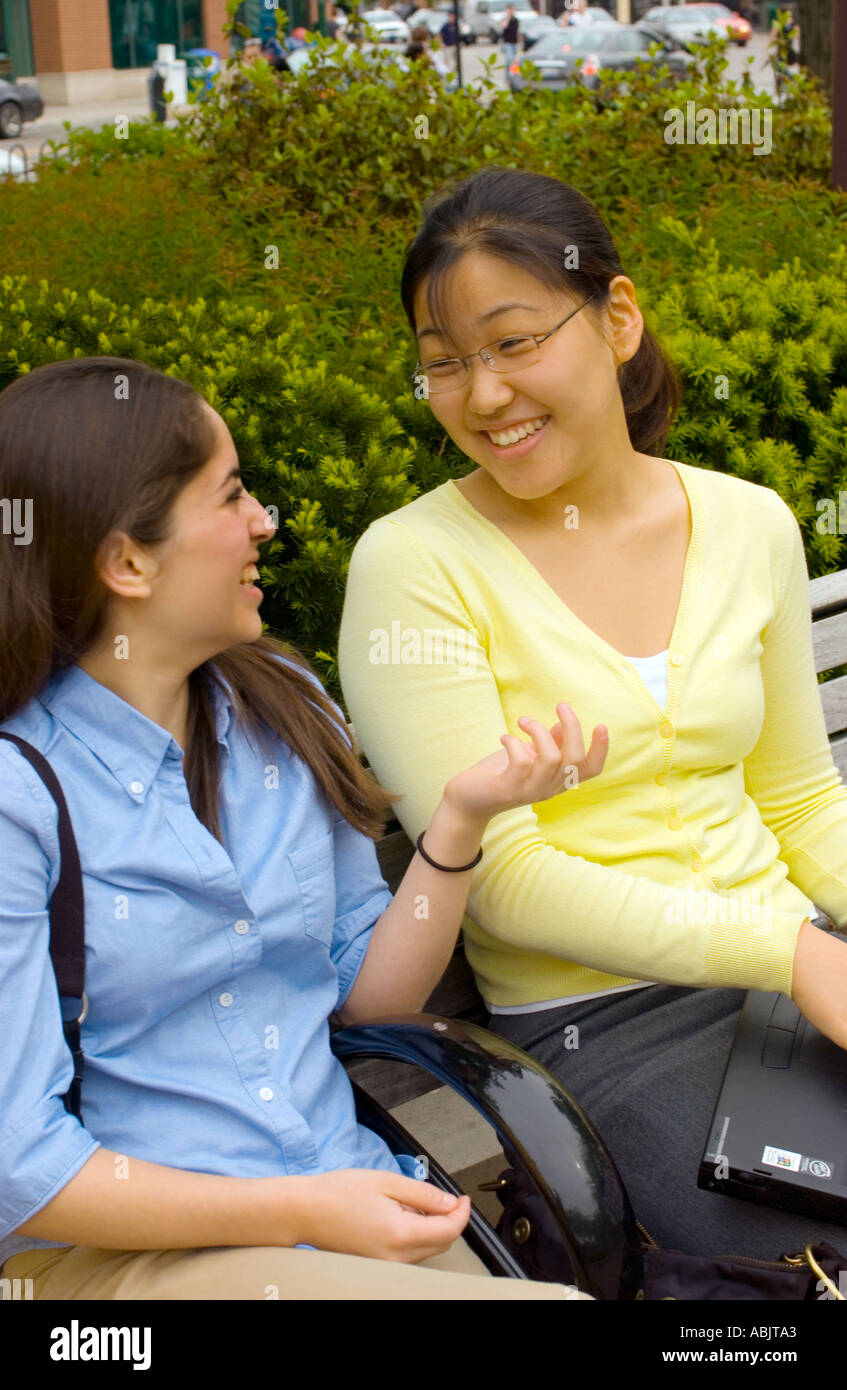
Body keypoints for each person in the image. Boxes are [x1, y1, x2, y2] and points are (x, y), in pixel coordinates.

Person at [0, 355, 597, 1301]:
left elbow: (367, 998)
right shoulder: (16, 798)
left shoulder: (284, 710)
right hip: (115, 1269)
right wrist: (302, 1210)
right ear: (127, 561)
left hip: (350, 1204)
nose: (264, 524)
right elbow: (20, 1166)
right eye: (232, 496)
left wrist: (461, 818)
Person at [337, 165, 847, 1263]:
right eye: (444, 365)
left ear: (616, 319)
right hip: (606, 1024)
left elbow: (799, 796)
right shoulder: (415, 566)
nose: (482, 397)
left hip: (795, 967)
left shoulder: (748, 520)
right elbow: (502, 877)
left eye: (514, 343)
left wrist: (817, 947)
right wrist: (789, 952)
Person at [499, 4, 521, 72]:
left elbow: (517, 32)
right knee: (509, 60)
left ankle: (514, 74)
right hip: (507, 43)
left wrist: (520, 42)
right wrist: (508, 17)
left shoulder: (516, 20)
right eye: (510, 10)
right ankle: (507, 77)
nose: (512, 11)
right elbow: (503, 26)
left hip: (515, 43)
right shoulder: (505, 19)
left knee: (515, 61)